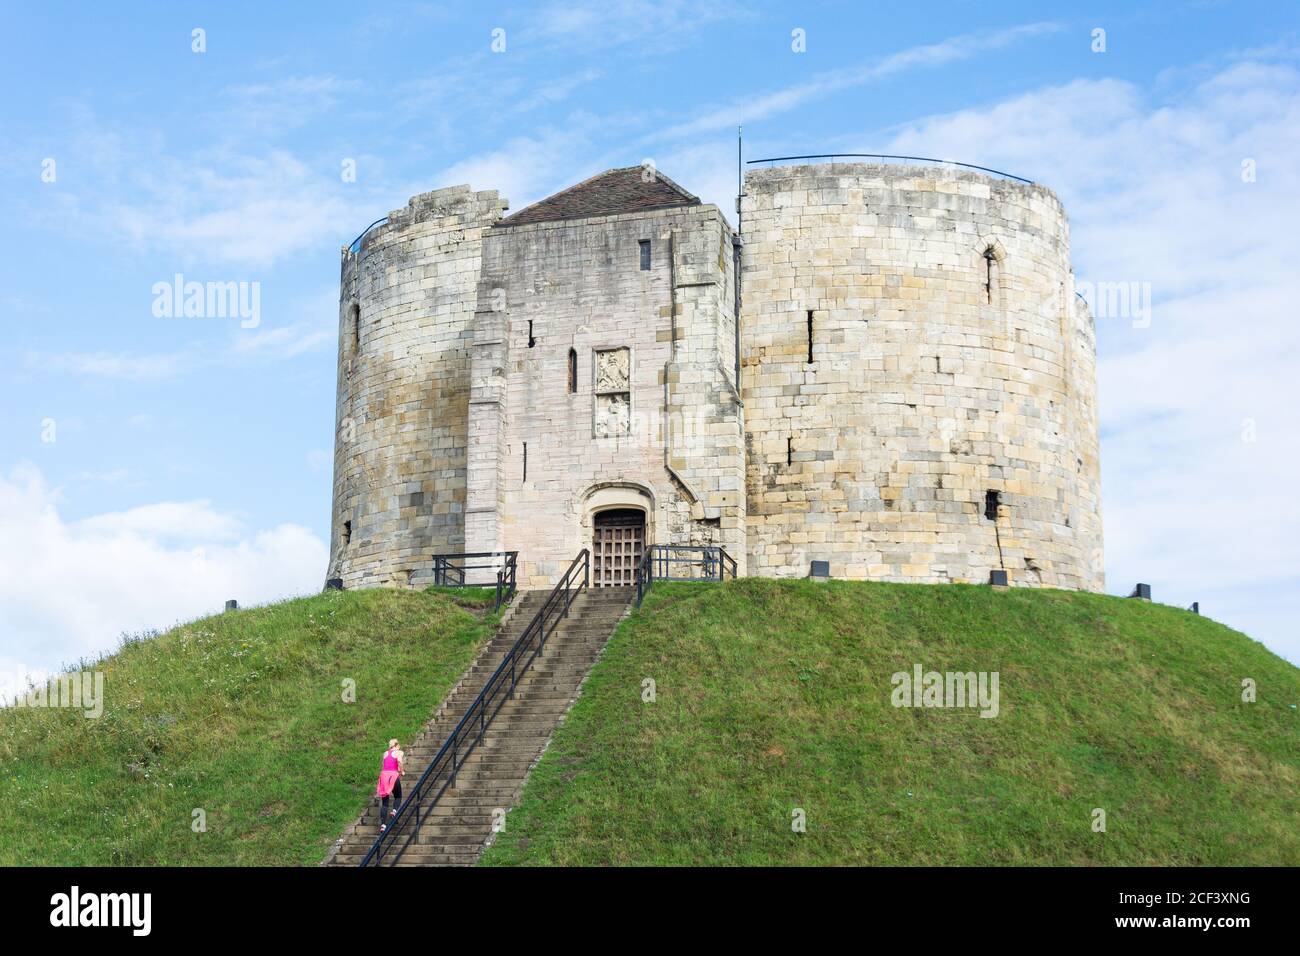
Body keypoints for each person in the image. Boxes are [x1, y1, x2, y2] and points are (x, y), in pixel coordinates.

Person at [375, 738, 405, 833]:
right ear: (397, 745)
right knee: (398, 796)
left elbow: (385, 765)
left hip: (384, 776)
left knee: (385, 802)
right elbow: (399, 761)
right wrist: (402, 771)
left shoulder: (385, 753)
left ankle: (383, 825)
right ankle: (394, 810)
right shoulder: (399, 752)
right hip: (393, 776)